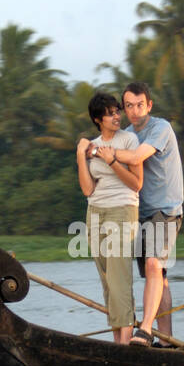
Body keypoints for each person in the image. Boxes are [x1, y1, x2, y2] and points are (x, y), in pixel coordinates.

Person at [94, 81, 183, 346]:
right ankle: (165, 340)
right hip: (138, 212)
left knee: (154, 264)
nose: (134, 111)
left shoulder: (160, 128)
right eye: (129, 106)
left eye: (139, 105)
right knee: (159, 277)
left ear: (150, 105)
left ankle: (144, 330)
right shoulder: (128, 134)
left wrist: (100, 151)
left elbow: (135, 158)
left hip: (164, 208)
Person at [76, 92, 142, 343]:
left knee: (119, 277)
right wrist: (80, 155)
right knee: (106, 279)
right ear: (97, 119)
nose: (117, 116)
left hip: (122, 209)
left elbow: (136, 184)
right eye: (110, 113)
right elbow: (87, 189)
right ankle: (118, 341)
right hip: (95, 211)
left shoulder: (129, 140)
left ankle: (125, 342)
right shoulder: (91, 145)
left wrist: (112, 160)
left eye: (118, 111)